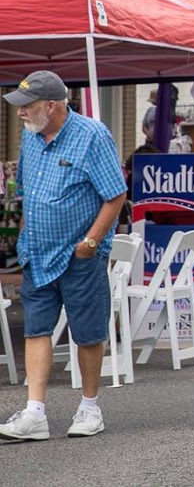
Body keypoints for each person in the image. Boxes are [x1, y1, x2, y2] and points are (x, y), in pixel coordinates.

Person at [0, 72, 127, 442]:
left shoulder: (92, 135)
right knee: (37, 328)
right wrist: (24, 235)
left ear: (51, 106)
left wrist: (91, 242)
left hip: (79, 253)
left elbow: (115, 194)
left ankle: (90, 408)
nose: (21, 114)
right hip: (37, 251)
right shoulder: (31, 136)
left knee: (87, 331)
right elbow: (26, 191)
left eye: (27, 107)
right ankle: (35, 412)